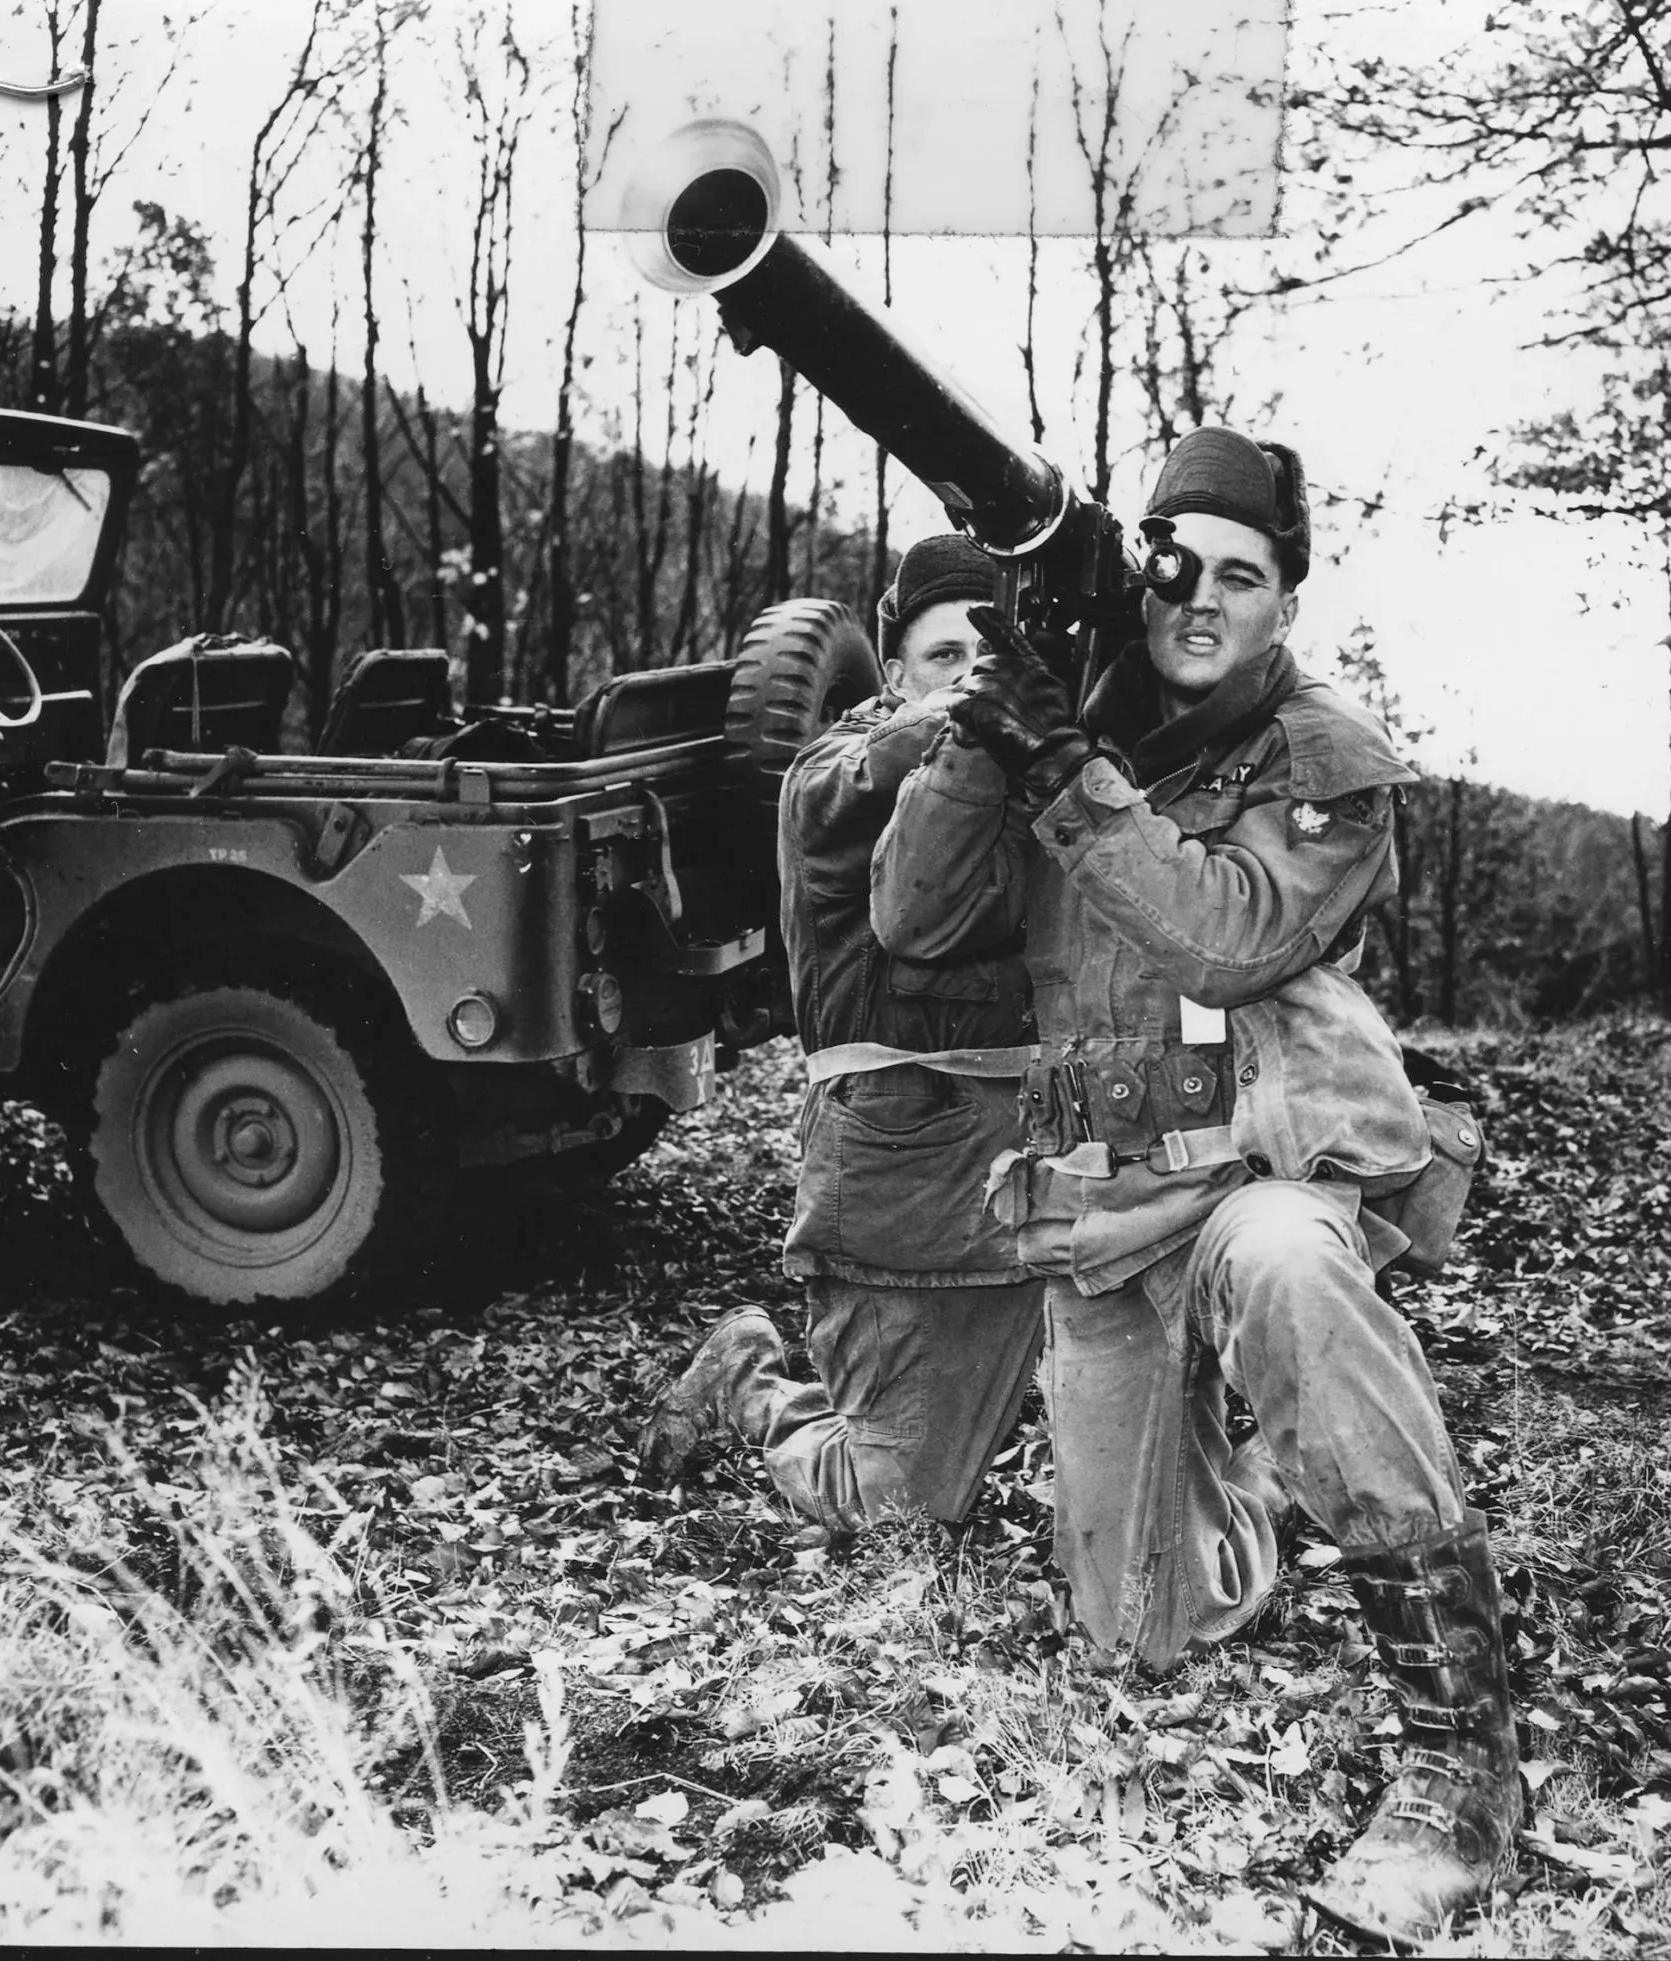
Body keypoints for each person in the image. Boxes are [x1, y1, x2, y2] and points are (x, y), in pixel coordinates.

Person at [869, 431, 1524, 1942]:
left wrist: (1066, 769)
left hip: (1265, 1165)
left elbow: (1225, 941)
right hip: (1110, 1194)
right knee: (1136, 1631)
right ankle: (1255, 1467)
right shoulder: (1074, 719)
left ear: (1287, 598)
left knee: (1287, 1266)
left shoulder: (1323, 757)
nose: (1204, 601)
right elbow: (912, 918)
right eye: (1180, 568)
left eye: (1245, 574)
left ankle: (1462, 1749)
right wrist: (993, 724)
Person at [638, 535, 1046, 1533]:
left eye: (994, 653)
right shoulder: (833, 771)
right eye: (948, 655)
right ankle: (751, 1386)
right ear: (894, 673)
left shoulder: (1033, 765)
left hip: (1039, 1162)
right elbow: (864, 782)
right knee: (901, 1498)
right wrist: (988, 705)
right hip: (905, 1179)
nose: (974, 674)